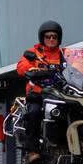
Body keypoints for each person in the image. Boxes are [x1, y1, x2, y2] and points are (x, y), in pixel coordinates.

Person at [15, 20, 67, 150]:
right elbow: (21, 65)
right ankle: (32, 150)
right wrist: (30, 69)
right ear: (42, 38)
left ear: (59, 38)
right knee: (34, 112)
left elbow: (80, 62)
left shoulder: (65, 53)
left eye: (54, 37)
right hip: (39, 94)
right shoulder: (34, 52)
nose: (51, 39)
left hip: (62, 94)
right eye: (48, 37)